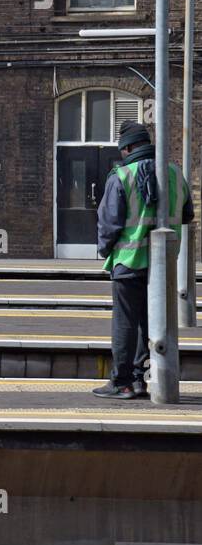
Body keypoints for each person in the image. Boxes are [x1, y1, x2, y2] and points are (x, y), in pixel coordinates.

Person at [94, 121, 193, 398]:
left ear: (126, 148)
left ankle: (121, 382)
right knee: (150, 322)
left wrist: (104, 250)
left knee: (125, 322)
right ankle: (139, 378)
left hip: (129, 260)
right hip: (163, 265)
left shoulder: (121, 176)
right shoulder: (175, 174)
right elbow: (187, 215)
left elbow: (108, 225)